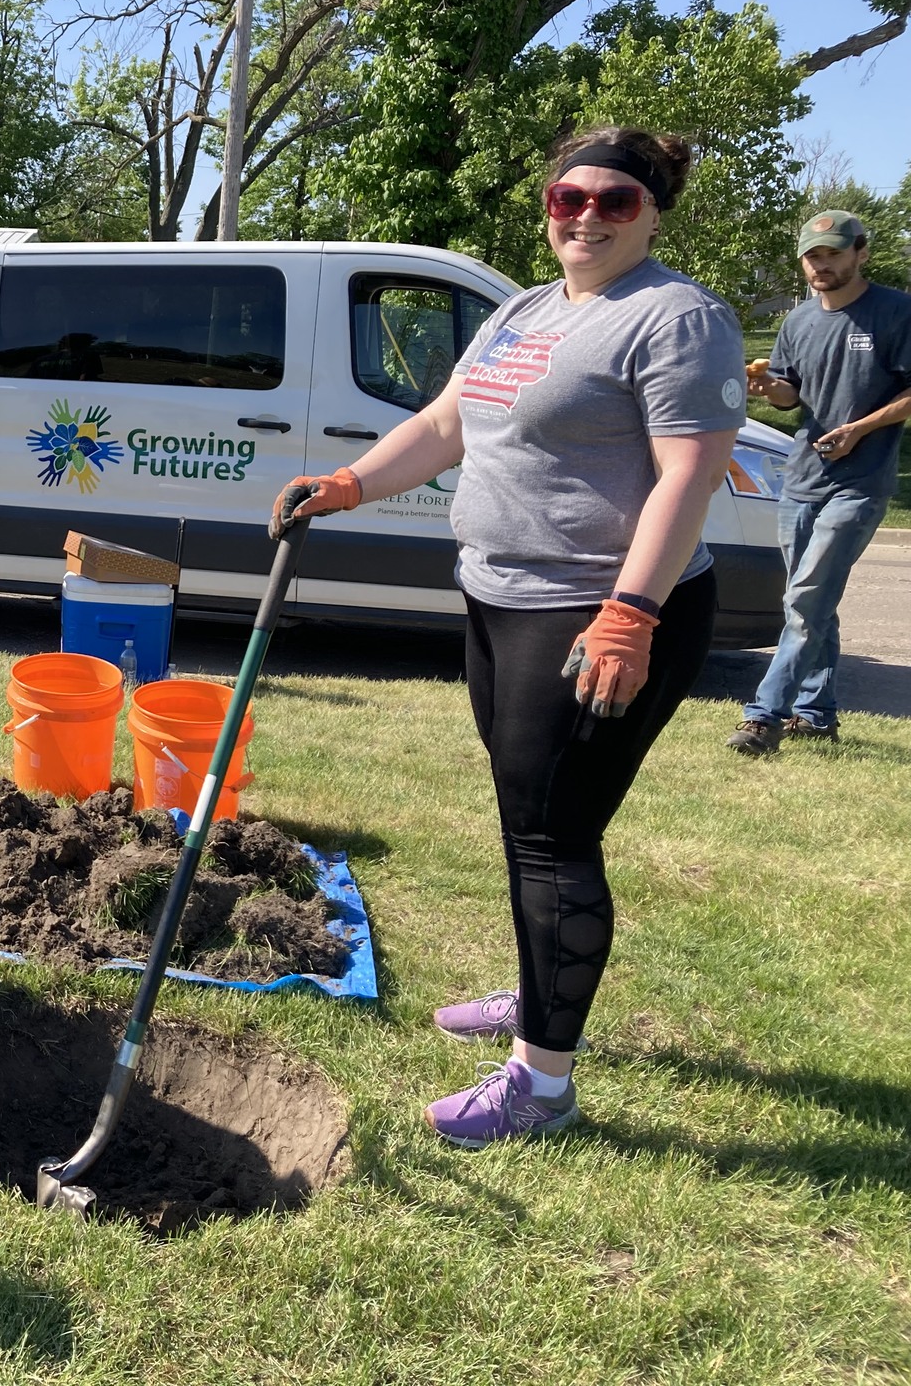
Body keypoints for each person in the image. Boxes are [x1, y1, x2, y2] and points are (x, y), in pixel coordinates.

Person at [273, 126, 746, 1147]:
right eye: (564, 197)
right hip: (497, 598)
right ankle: (538, 998)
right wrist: (349, 482)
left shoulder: (675, 318)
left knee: (553, 837)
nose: (581, 216)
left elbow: (686, 474)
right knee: (527, 813)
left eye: (611, 202)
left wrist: (629, 614)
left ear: (652, 210)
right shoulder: (527, 312)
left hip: (595, 613)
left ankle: (541, 1086)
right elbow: (447, 422)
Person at [727, 210, 911, 754]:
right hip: (803, 476)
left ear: (860, 253)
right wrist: (768, 388)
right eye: (813, 255)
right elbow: (792, 394)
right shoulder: (798, 321)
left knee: (808, 595)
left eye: (832, 253)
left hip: (860, 482)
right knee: (809, 598)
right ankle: (817, 713)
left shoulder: (896, 311)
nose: (821, 265)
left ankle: (764, 714)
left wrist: (861, 428)